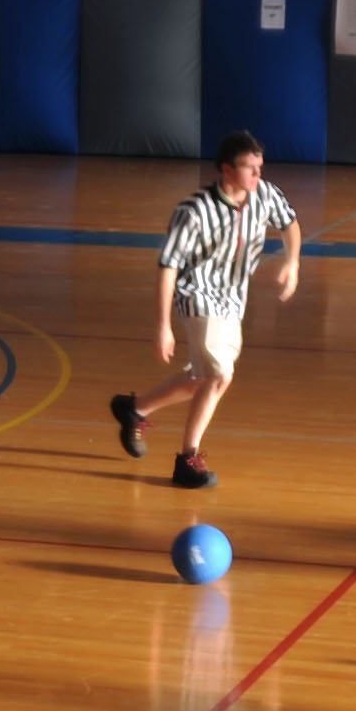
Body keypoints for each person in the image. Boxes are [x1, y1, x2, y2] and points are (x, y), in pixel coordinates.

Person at [109, 132, 299, 492]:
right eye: (250, 167)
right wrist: (163, 325)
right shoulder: (194, 211)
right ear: (228, 169)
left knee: (200, 378)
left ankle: (135, 409)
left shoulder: (265, 194)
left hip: (232, 300)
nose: (259, 174)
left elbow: (290, 223)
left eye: (261, 166)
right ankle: (187, 460)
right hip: (196, 295)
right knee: (220, 376)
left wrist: (293, 262)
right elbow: (168, 267)